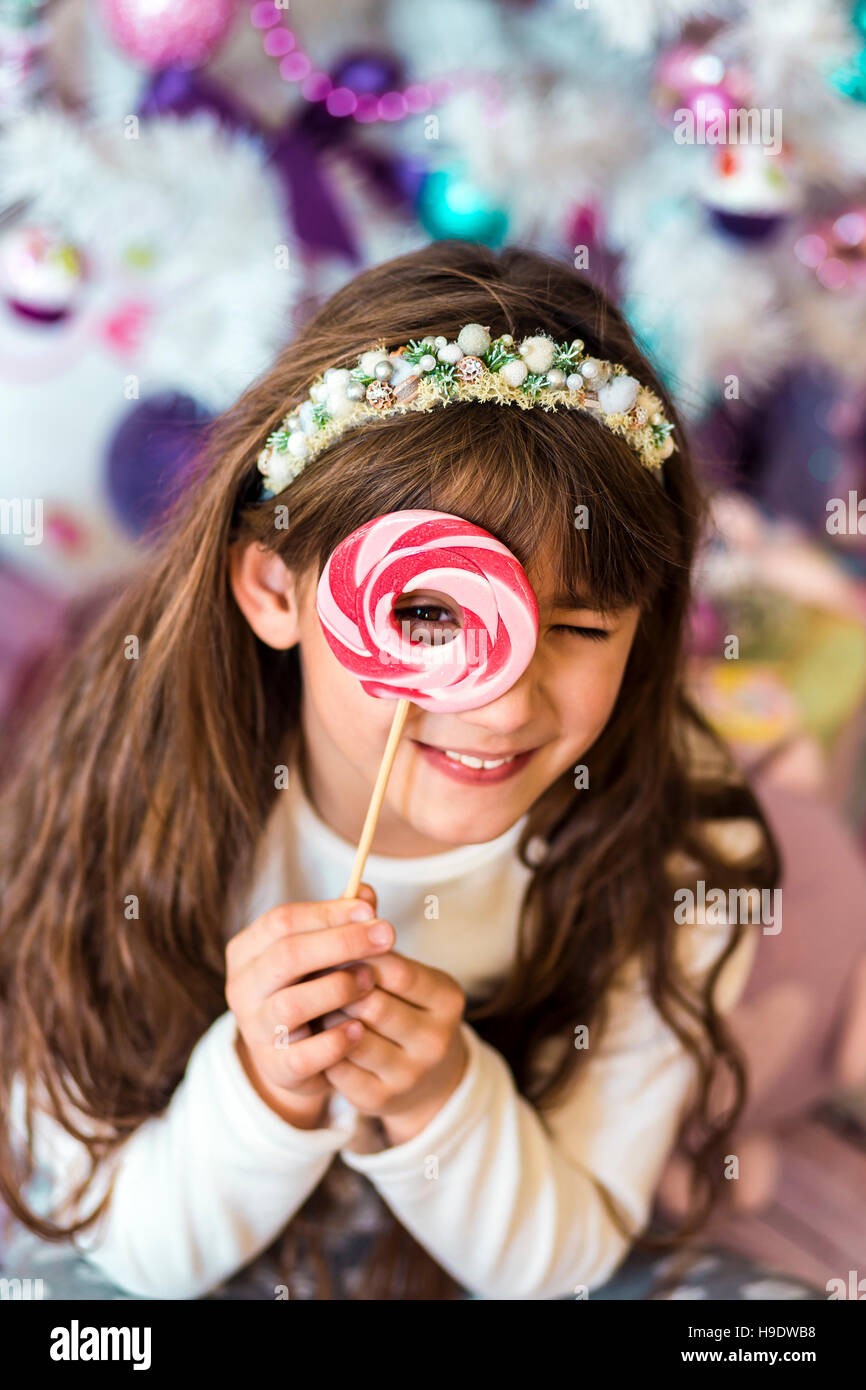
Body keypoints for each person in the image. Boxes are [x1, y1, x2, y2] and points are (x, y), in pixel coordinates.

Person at [0, 242, 808, 1302]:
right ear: (275, 590)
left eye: (574, 625)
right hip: (180, 1219)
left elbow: (559, 1261)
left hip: (488, 1229)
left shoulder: (683, 849)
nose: (500, 697)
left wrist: (437, 1092)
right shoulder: (133, 775)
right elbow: (130, 1247)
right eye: (426, 613)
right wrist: (264, 1083)